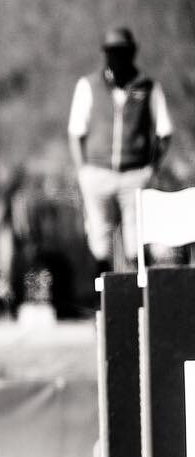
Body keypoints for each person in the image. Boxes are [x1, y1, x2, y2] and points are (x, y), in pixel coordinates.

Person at [68, 26, 174, 274]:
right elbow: (76, 131)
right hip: (97, 171)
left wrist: (151, 168)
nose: (117, 57)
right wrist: (82, 170)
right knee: (98, 236)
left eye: (122, 52)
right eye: (112, 52)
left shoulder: (147, 87)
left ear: (132, 53)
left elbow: (164, 131)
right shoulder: (89, 85)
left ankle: (140, 298)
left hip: (134, 173)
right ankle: (103, 299)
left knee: (135, 238)